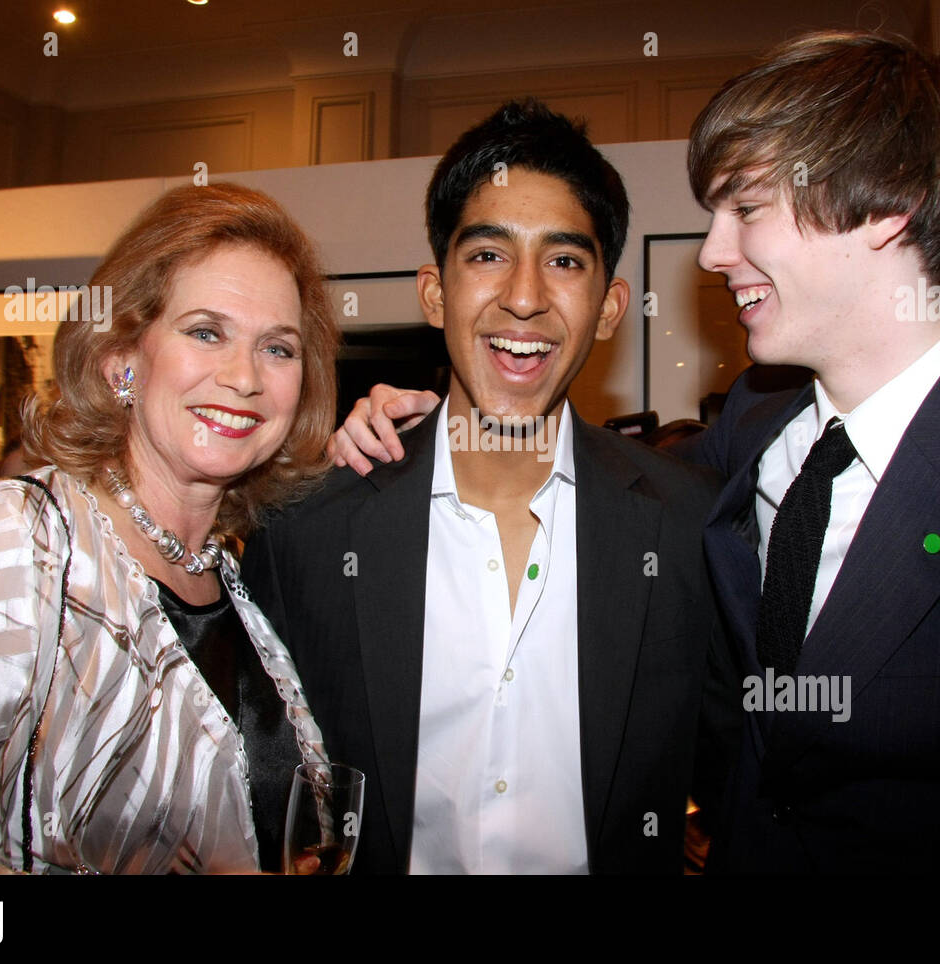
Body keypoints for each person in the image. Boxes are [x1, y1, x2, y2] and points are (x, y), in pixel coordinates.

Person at [331, 33, 940, 874]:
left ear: (889, 201)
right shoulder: (755, 430)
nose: (715, 251)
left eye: (747, 208)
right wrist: (428, 422)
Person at [243, 100, 730, 874]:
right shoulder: (309, 529)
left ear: (609, 308)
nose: (526, 297)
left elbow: (746, 789)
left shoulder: (690, 527)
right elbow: (259, 805)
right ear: (434, 294)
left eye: (565, 260)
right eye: (489, 255)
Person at [0, 182, 338, 874]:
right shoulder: (15, 546)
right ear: (122, 364)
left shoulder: (234, 581)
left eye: (279, 349)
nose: (245, 377)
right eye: (206, 332)